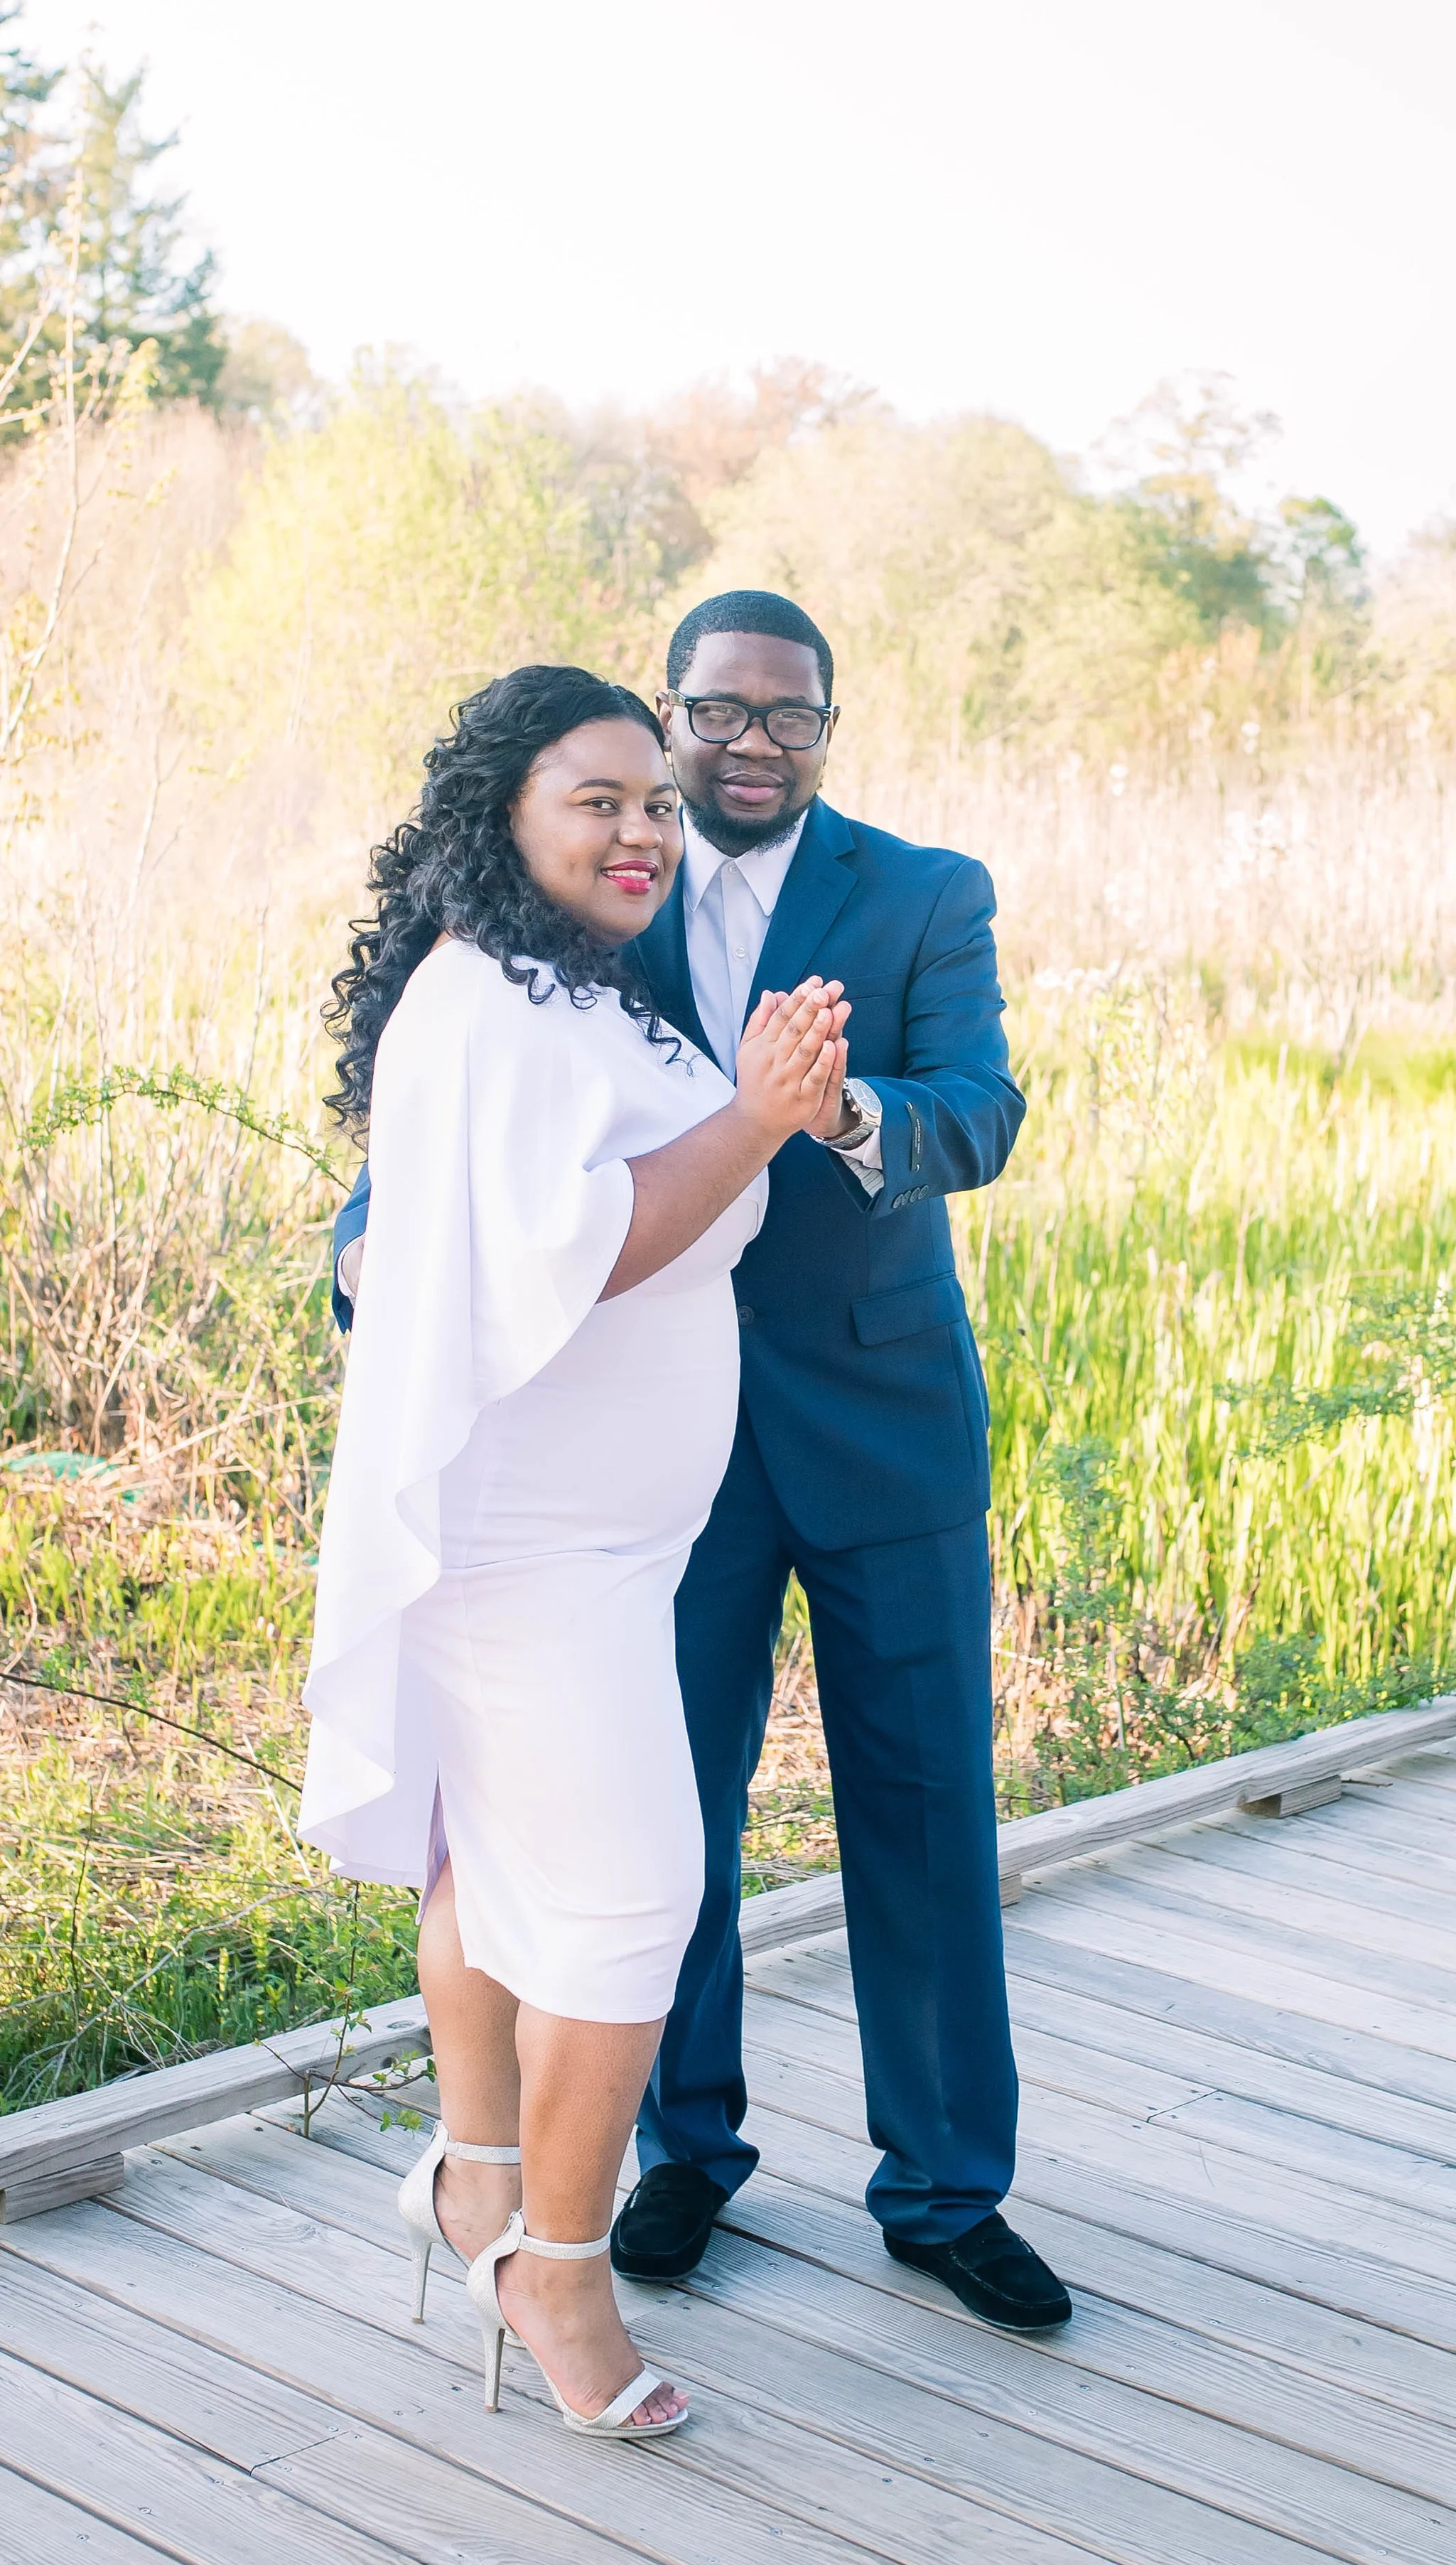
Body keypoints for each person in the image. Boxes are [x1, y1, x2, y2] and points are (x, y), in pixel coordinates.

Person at [335, 594, 1072, 2333]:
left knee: (925, 1806)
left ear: (830, 727)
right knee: (671, 1811)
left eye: (789, 718)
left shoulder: (919, 893)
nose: (750, 744)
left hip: (880, 1420)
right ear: (669, 721)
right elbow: (464, 1111)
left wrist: (843, 1109)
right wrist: (374, 1251)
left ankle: (946, 2188)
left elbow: (979, 1104)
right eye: (717, 715)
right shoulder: (587, 895)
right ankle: (685, 2155)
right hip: (643, 1464)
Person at [301, 664, 847, 2438]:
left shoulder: (575, 994)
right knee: (628, 1903)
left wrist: (764, 1102)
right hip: (531, 1547)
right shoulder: (487, 1001)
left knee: (505, 1861)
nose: (639, 832)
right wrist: (760, 1112)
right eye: (594, 801)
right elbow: (590, 1244)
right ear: (504, 816)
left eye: (654, 805)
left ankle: (470, 2177)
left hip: (600, 1537)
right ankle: (557, 2258)